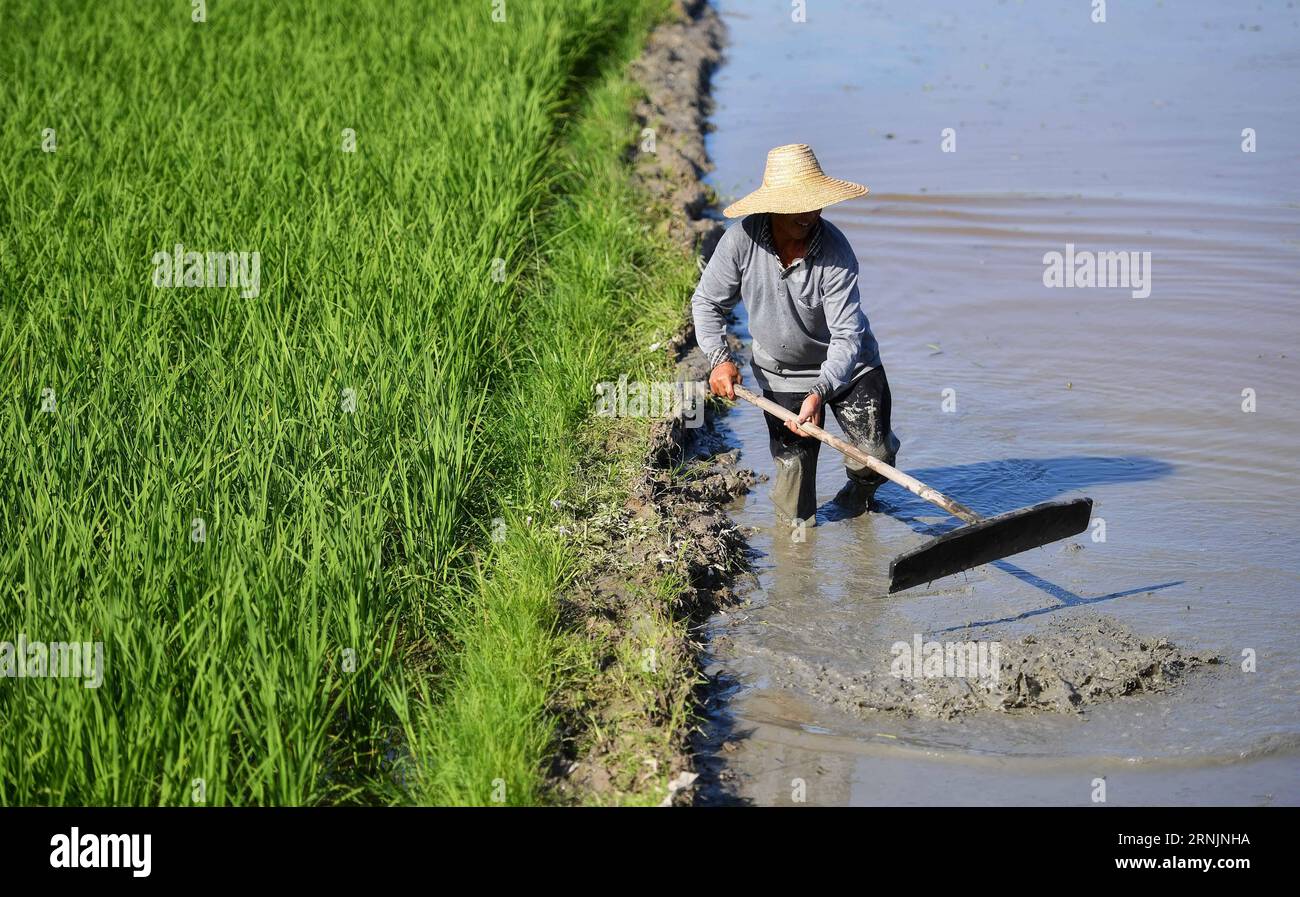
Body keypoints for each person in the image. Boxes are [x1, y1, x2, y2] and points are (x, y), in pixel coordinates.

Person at [691, 143, 900, 525]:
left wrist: (820, 392)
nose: (810, 214)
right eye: (797, 207)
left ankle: (855, 498)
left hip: (849, 367)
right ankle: (799, 558)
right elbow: (707, 303)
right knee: (795, 498)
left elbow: (847, 338)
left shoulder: (836, 253)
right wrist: (720, 361)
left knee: (876, 454)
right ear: (773, 206)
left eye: (815, 203)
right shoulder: (741, 242)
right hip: (782, 373)